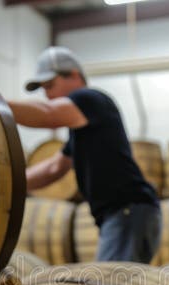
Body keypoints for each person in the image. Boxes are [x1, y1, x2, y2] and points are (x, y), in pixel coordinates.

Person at [9, 46, 161, 264]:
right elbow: (54, 168)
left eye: (50, 85)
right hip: (123, 214)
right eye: (43, 89)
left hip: (128, 210)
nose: (48, 94)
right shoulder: (82, 127)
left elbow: (47, 113)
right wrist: (12, 183)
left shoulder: (90, 98)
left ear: (74, 75)